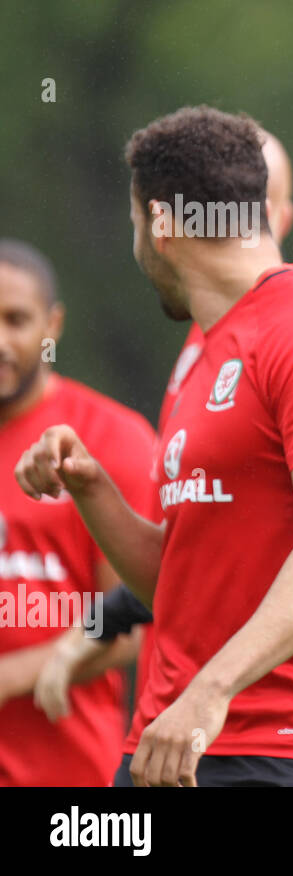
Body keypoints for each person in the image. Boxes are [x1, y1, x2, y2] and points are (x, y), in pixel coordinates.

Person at [16, 105, 293, 786]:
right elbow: (178, 585)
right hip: (175, 743)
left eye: (135, 222)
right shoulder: (202, 349)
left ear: (160, 223)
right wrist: (90, 484)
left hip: (287, 749)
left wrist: (209, 690)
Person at [0, 239, 156, 785]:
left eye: (16, 320)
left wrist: (12, 674)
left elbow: (133, 623)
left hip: (67, 779)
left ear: (53, 326)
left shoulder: (114, 439)